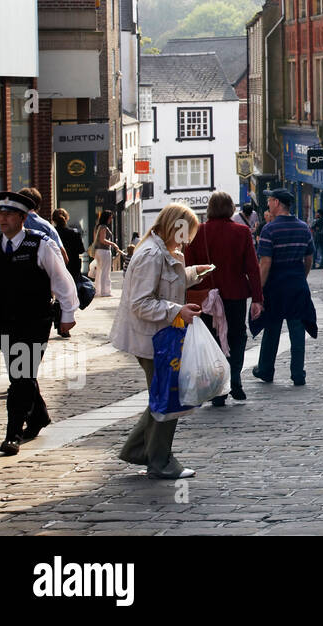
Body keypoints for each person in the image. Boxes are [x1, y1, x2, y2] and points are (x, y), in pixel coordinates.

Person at [110, 203, 212, 479]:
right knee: (167, 398)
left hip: (159, 337)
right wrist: (177, 310)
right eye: (187, 232)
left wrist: (192, 273)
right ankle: (159, 460)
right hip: (152, 339)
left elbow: (165, 285)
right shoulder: (151, 255)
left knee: (164, 396)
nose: (188, 239)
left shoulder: (163, 251)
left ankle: (139, 450)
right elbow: (141, 302)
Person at [0, 191, 79, 455]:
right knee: (19, 371)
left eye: (8, 214)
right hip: (4, 318)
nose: (2, 219)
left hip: (35, 318)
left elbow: (62, 280)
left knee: (21, 375)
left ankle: (12, 433)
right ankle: (38, 416)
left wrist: (68, 314)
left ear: (22, 218)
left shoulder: (40, 244)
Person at [186, 192, 264, 406]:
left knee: (211, 341)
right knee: (237, 337)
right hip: (235, 294)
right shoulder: (241, 232)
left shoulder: (197, 233)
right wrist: (257, 298)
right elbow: (252, 268)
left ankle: (218, 388)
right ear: (230, 208)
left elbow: (189, 269)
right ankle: (235, 376)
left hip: (206, 298)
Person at [250, 189, 316, 386]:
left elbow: (265, 263)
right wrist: (300, 277)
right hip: (297, 286)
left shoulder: (269, 230)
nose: (268, 203)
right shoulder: (303, 228)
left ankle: (265, 369)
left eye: (270, 200)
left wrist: (258, 292)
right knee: (297, 331)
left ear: (277, 203)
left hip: (276, 287)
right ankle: (298, 374)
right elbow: (309, 258)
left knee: (272, 329)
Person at [50, 209, 87, 339]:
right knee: (68, 296)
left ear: (53, 219)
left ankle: (58, 322)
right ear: (66, 218)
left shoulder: (51, 233)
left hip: (55, 267)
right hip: (71, 268)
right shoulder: (73, 233)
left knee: (57, 297)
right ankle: (64, 326)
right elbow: (81, 249)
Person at [91, 210, 123, 297]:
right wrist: (113, 244)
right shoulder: (103, 227)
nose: (111, 219)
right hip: (104, 251)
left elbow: (96, 240)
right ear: (107, 218)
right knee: (106, 271)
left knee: (99, 272)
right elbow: (102, 240)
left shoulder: (97, 227)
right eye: (110, 217)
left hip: (97, 251)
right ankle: (105, 291)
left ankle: (98, 291)